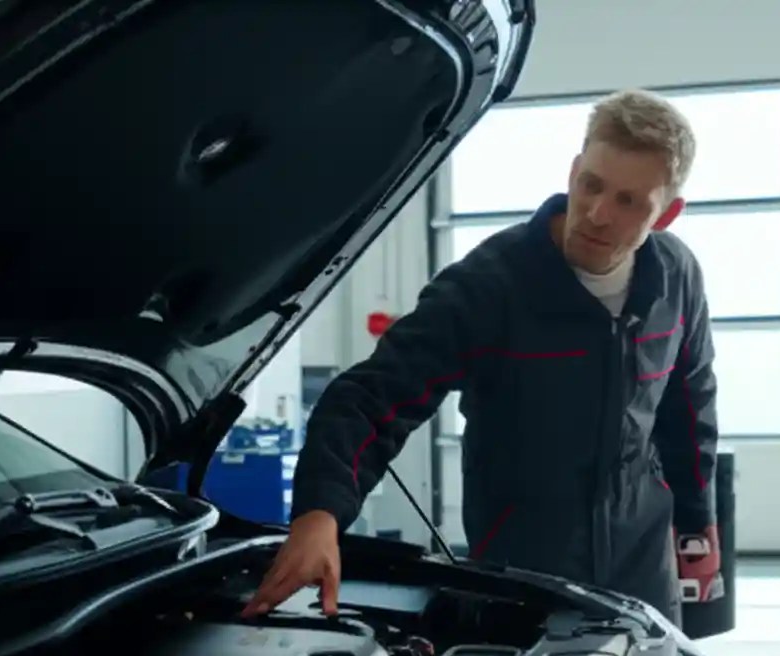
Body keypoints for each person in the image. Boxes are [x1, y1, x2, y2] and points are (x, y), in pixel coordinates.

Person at [240, 88, 721, 626]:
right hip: (523, 575)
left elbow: (689, 403)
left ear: (668, 214)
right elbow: (371, 396)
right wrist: (318, 514)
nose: (598, 213)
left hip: (643, 568)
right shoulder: (490, 286)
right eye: (591, 184)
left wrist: (699, 527)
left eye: (630, 202)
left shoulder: (677, 278)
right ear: (574, 169)